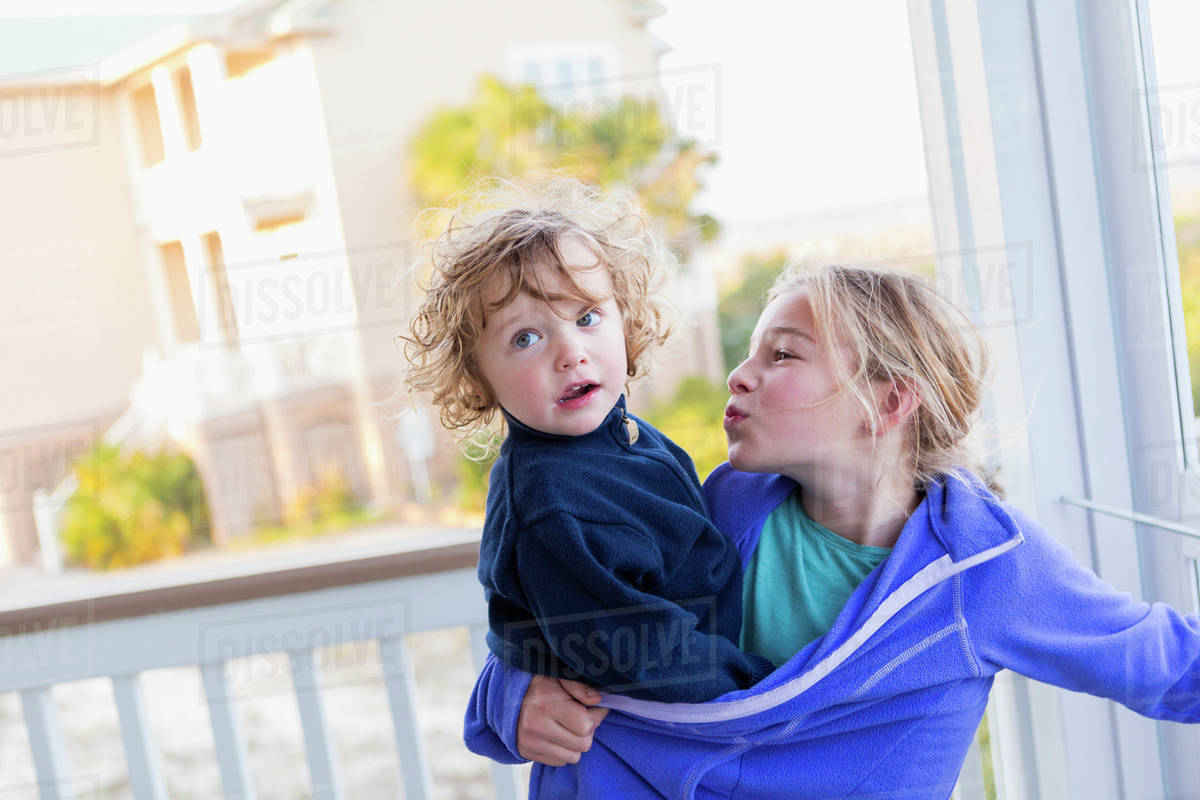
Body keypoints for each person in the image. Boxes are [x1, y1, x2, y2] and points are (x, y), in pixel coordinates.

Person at [463, 263, 1200, 798]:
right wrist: (514, 695)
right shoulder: (725, 504)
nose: (739, 376)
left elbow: (1163, 662)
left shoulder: (986, 569)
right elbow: (564, 617)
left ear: (886, 403)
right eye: (749, 353)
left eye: (781, 355)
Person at [403, 177, 773, 703]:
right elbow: (642, 653)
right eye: (525, 337)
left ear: (625, 319)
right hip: (640, 747)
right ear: (478, 376)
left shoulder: (627, 436)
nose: (570, 351)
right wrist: (763, 687)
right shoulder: (549, 503)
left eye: (587, 317)